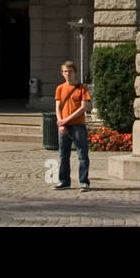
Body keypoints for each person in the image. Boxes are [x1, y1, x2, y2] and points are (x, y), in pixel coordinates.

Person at [54, 60, 91, 191]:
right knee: (63, 155)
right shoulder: (60, 88)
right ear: (62, 73)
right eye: (65, 71)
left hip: (78, 126)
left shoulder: (82, 88)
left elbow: (83, 108)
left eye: (70, 71)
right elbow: (58, 107)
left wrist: (66, 120)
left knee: (82, 155)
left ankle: (83, 181)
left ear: (75, 72)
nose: (67, 74)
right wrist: (61, 123)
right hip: (64, 126)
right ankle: (64, 181)